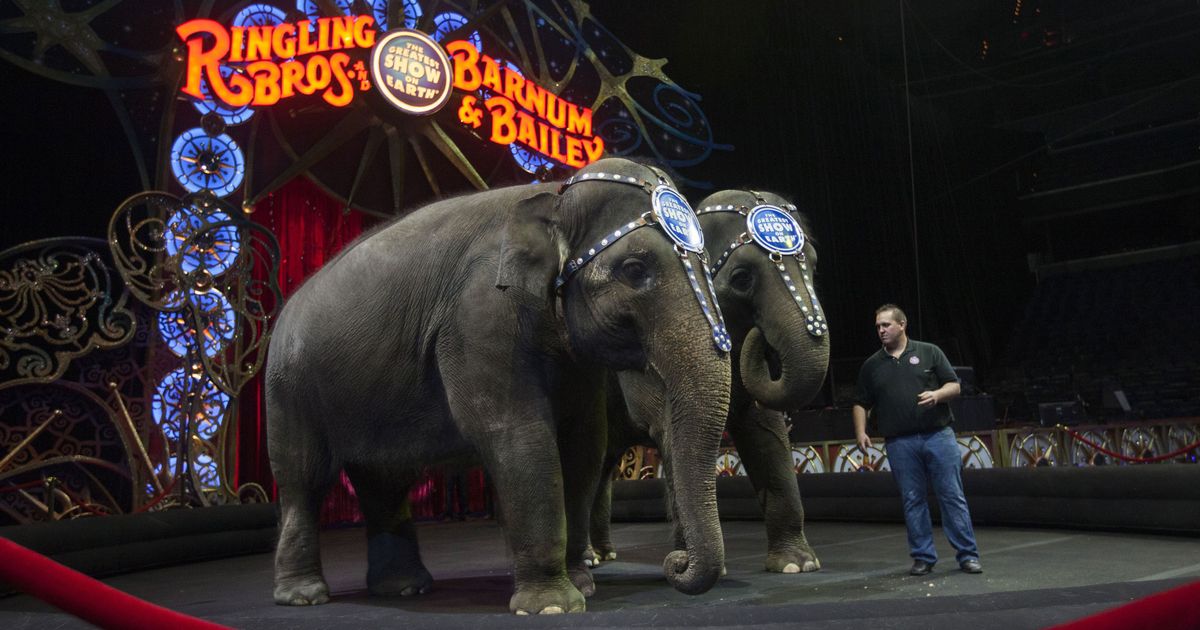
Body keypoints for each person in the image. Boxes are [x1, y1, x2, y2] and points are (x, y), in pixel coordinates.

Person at [852, 304, 982, 576]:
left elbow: (955, 385)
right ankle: (923, 557)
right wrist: (861, 431)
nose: (881, 330)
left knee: (951, 495)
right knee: (912, 499)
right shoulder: (872, 365)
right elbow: (861, 402)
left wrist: (937, 395)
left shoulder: (928, 351)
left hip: (938, 435)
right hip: (900, 442)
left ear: (902, 325)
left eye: (886, 325)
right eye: (878, 326)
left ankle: (968, 555)